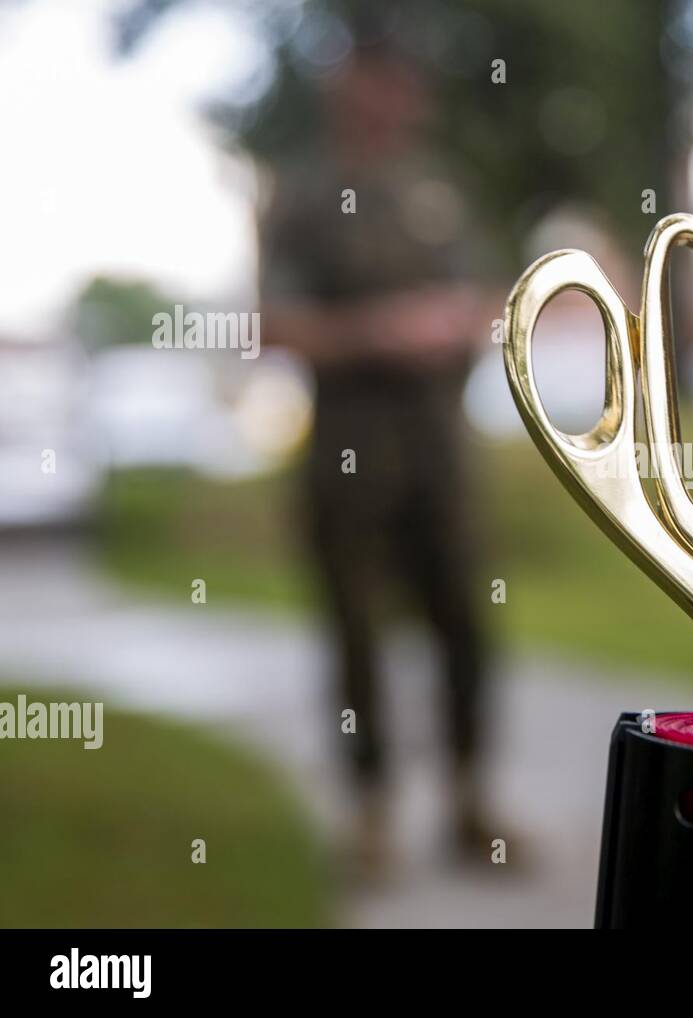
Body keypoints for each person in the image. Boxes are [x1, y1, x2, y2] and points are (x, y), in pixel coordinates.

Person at [259, 39, 504, 869]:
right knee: (355, 633)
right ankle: (370, 817)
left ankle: (471, 803)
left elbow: (485, 301)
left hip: (440, 448)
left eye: (403, 78)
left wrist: (465, 319)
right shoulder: (304, 195)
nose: (391, 95)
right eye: (373, 75)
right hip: (349, 450)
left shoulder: (441, 191)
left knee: (465, 623)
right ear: (345, 85)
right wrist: (382, 331)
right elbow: (275, 323)